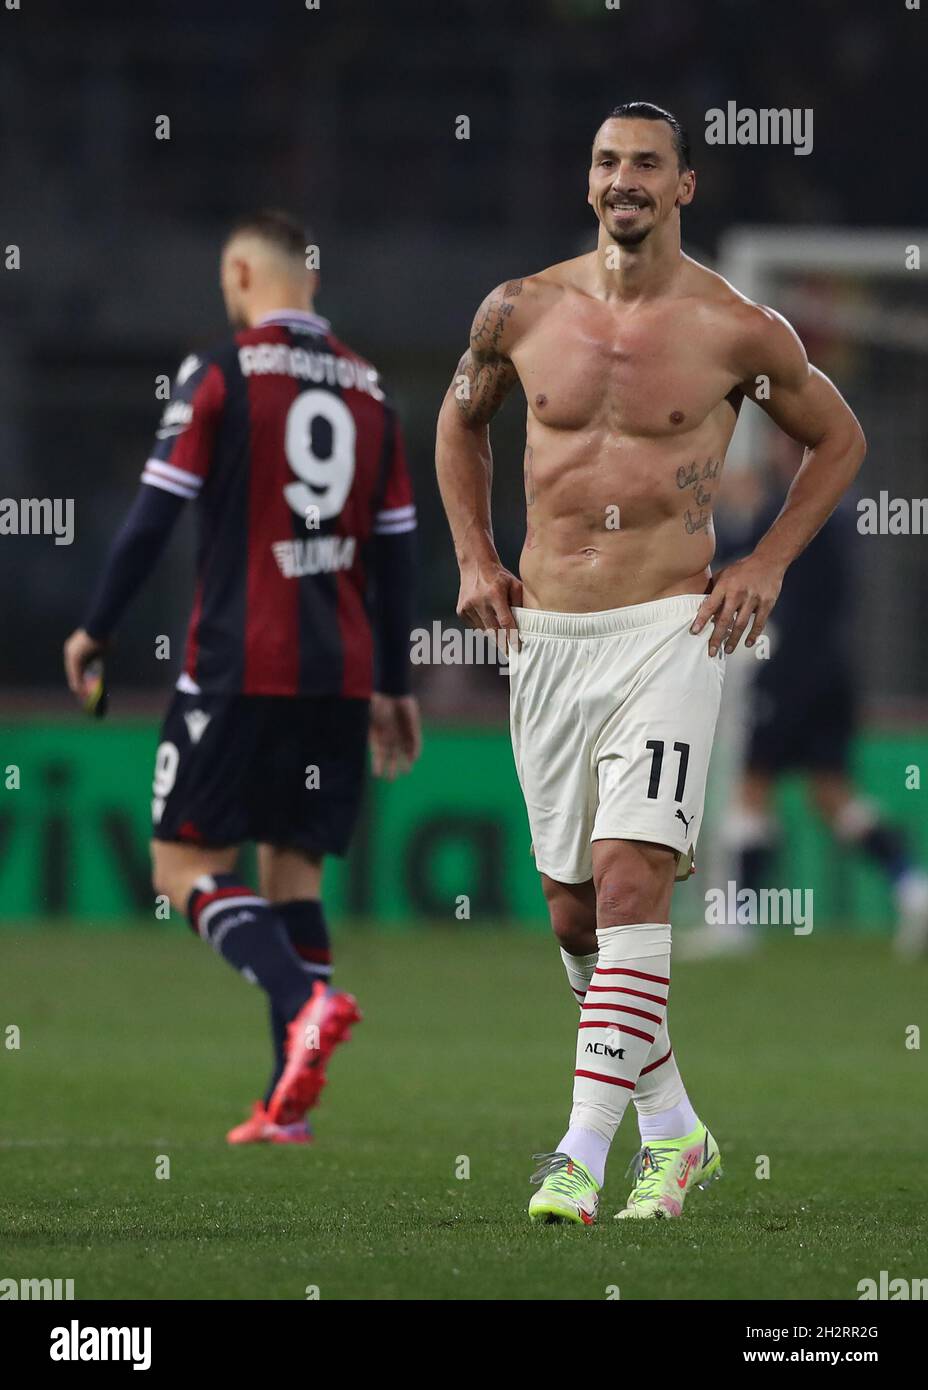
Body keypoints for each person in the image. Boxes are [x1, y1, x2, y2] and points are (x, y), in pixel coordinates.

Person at [435, 103, 866, 1224]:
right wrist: (476, 555)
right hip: (549, 639)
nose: (623, 179)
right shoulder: (520, 308)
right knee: (575, 915)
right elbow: (457, 422)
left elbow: (840, 438)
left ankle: (579, 1154)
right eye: (607, 162)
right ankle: (675, 1131)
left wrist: (764, 561)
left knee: (631, 880)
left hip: (670, 632)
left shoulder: (734, 327)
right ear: (589, 183)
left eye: (646, 164)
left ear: (684, 186)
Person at [64, 210, 421, 1144]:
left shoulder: (218, 372)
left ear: (239, 272)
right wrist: (396, 683)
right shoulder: (371, 388)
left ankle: (305, 1001)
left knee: (181, 863)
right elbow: (397, 557)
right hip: (338, 674)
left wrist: (96, 629)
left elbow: (152, 517)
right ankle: (284, 1105)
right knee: (291, 875)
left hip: (236, 664)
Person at [713, 448, 928, 958]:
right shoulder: (844, 510)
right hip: (835, 669)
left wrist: (725, 510)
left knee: (751, 788)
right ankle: (912, 886)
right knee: (834, 795)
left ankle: (735, 923)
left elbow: (731, 566)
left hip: (787, 668)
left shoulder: (784, 514)